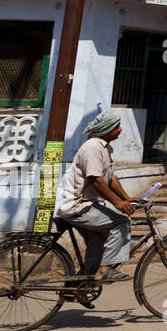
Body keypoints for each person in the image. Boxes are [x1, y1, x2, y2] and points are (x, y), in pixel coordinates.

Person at [54, 110, 139, 281]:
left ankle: (78, 287)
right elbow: (97, 180)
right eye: (117, 126)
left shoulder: (105, 148)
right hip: (77, 206)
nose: (120, 129)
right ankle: (104, 270)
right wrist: (117, 203)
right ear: (107, 128)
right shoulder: (92, 148)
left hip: (89, 205)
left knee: (98, 247)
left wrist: (126, 198)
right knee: (121, 222)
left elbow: (111, 178)